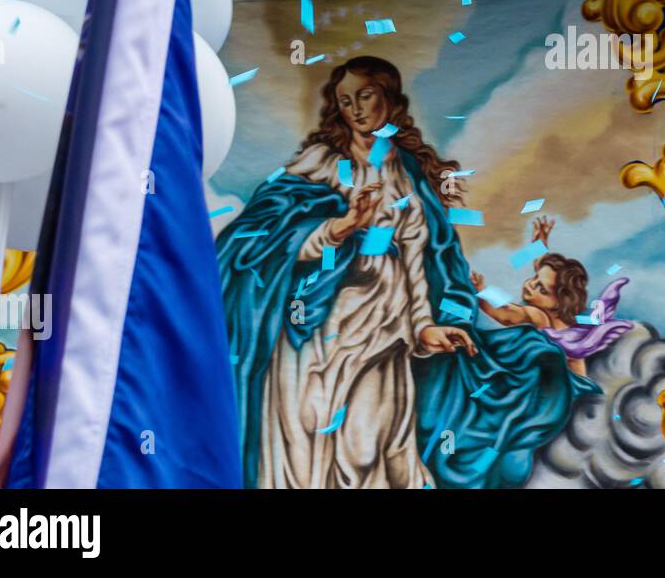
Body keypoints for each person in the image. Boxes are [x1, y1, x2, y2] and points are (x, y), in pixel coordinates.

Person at [219, 57, 592, 489]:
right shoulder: (319, 164)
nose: (356, 109)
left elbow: (420, 263)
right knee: (308, 444)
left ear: (389, 98)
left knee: (368, 452)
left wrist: (425, 326)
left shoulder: (408, 175)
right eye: (345, 101)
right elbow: (265, 237)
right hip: (318, 332)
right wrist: (342, 227)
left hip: (387, 336)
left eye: (365, 95)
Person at [472, 215, 633, 379]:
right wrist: (539, 245)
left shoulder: (538, 316)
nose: (530, 284)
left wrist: (481, 292)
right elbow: (543, 268)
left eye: (542, 290)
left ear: (558, 304)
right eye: (535, 278)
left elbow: (505, 314)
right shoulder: (562, 318)